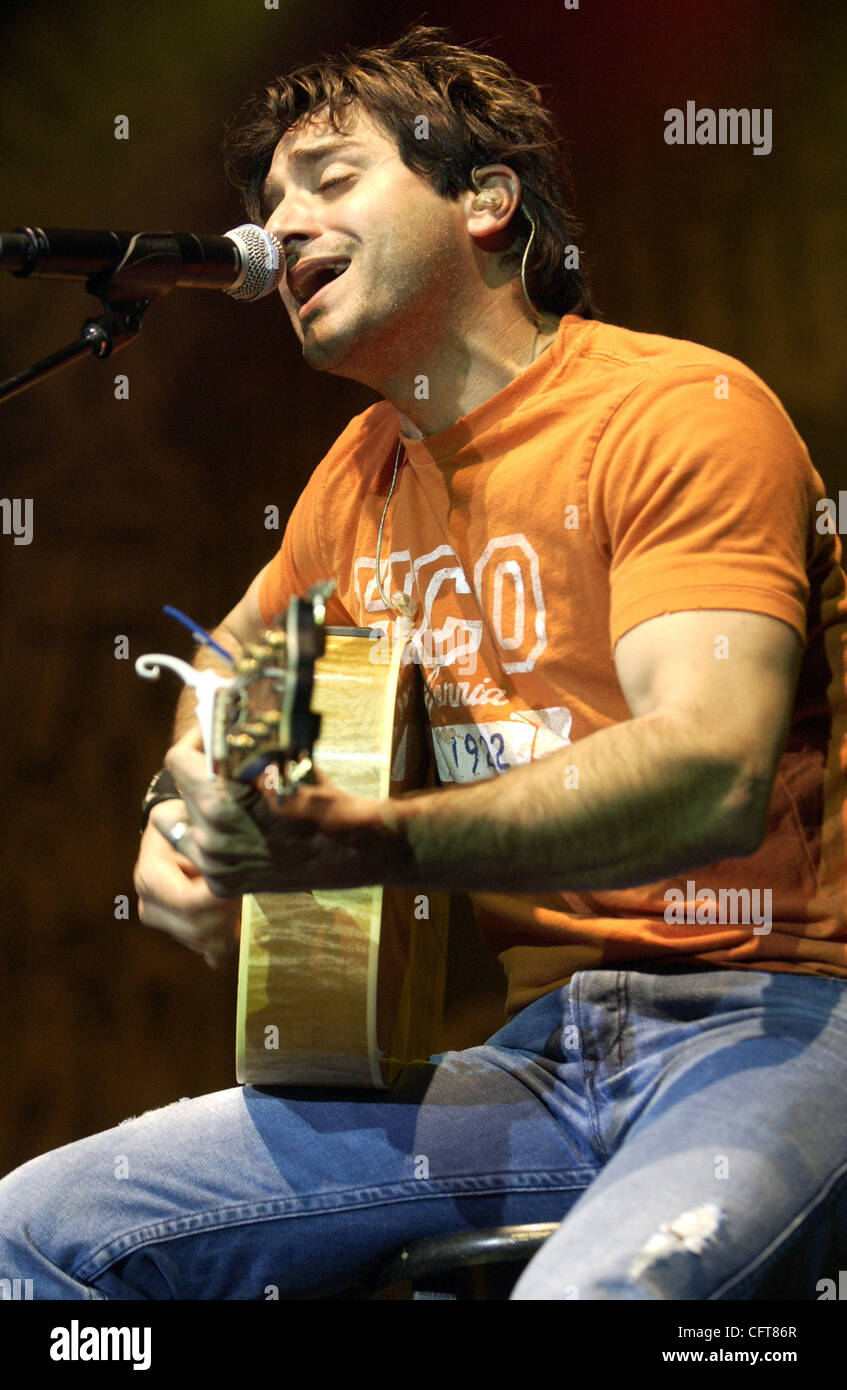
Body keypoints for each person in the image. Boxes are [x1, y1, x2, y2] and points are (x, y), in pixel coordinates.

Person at [1, 24, 846, 1302]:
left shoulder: (679, 412)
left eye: (330, 180)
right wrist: (184, 816)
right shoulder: (359, 475)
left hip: (780, 1025)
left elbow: (708, 767)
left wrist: (383, 839)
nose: (279, 226)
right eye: (266, 201)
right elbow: (220, 675)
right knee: (32, 1231)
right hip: (532, 1061)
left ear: (486, 203)